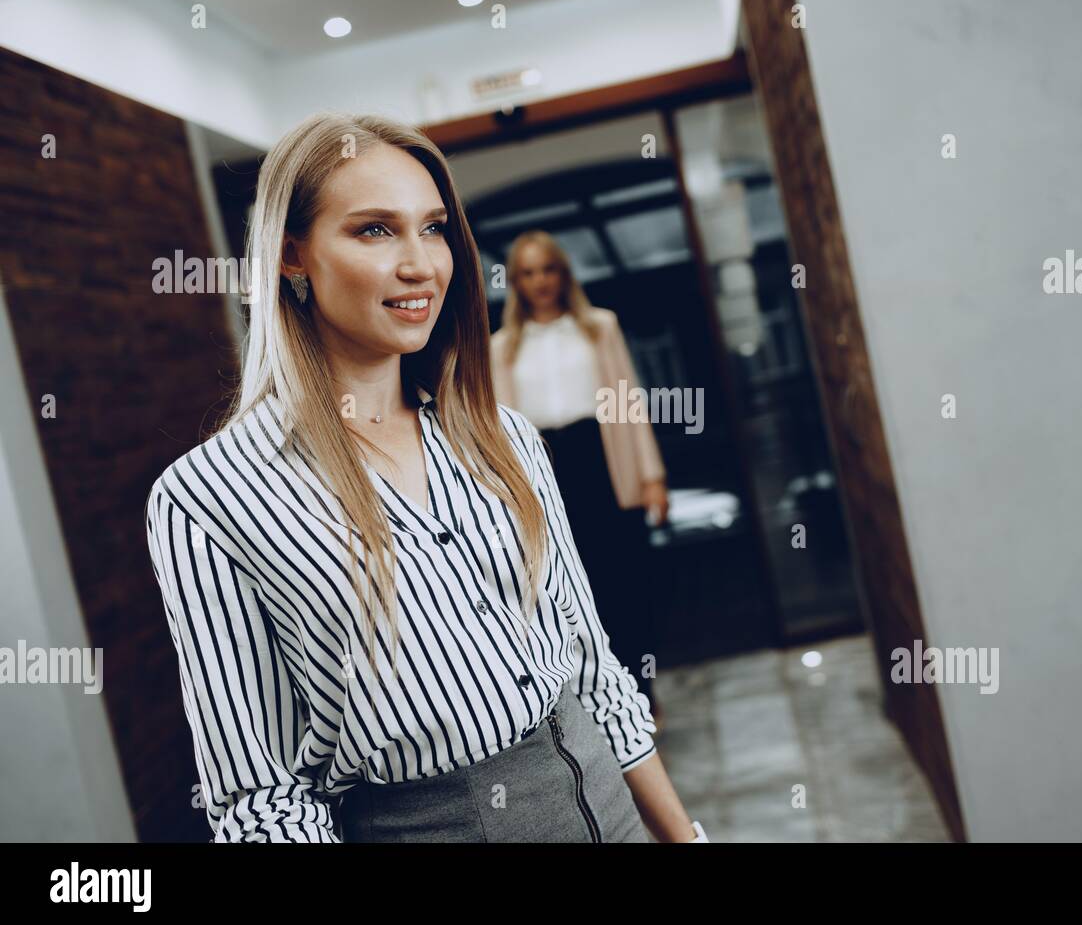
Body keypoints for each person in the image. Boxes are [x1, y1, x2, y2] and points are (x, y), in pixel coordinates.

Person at [144, 110, 706, 843]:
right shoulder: (207, 498)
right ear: (290, 256)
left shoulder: (505, 437)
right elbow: (262, 801)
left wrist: (685, 837)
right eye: (374, 229)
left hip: (612, 806)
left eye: (434, 227)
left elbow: (595, 671)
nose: (421, 264)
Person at [489, 231, 669, 718]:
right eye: (527, 272)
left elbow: (628, 403)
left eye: (547, 268)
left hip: (603, 460)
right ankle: (593, 701)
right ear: (517, 282)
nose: (539, 281)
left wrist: (651, 474)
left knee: (626, 579)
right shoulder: (501, 347)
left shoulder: (598, 328)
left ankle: (642, 697)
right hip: (544, 466)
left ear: (562, 272)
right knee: (570, 585)